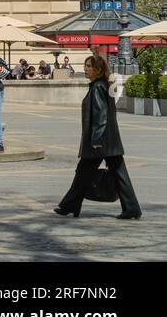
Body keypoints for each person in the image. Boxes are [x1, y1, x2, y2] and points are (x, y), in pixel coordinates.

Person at [55, 52, 141, 220]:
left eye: (89, 66)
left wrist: (96, 139)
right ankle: (131, 208)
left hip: (100, 142)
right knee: (117, 174)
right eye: (85, 66)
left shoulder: (97, 87)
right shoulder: (103, 86)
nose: (85, 69)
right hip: (110, 142)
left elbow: (100, 115)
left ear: (98, 69)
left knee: (83, 172)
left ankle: (70, 205)